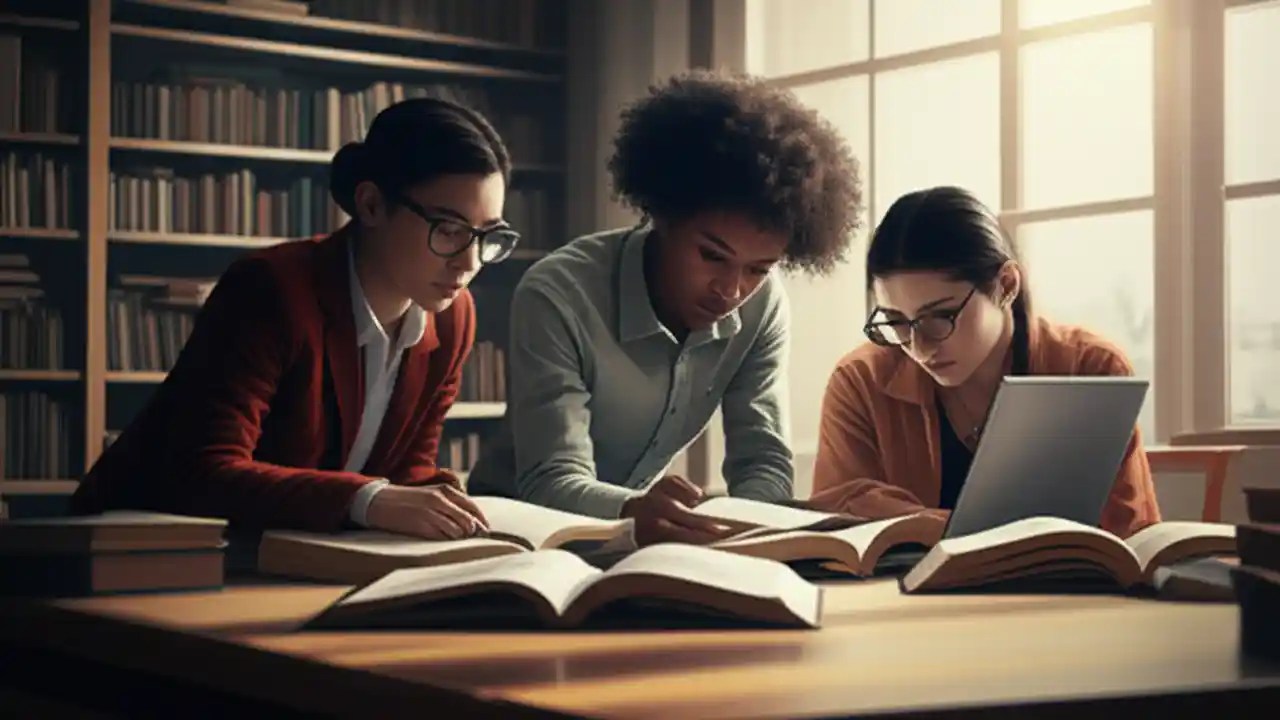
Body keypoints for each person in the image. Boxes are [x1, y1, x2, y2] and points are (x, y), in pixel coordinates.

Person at [72, 98, 521, 539]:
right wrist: (368, 499)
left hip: (293, 555)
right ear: (370, 205)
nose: (469, 263)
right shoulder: (272, 288)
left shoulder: (453, 315)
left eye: (487, 236)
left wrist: (441, 499)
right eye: (448, 230)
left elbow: (408, 470)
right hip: (138, 550)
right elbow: (204, 471)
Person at [467, 70, 864, 546]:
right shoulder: (559, 293)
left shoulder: (763, 307)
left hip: (636, 543)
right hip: (510, 539)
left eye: (759, 269)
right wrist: (634, 511)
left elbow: (763, 463)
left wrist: (747, 530)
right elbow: (550, 480)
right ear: (662, 215)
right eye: (712, 256)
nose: (732, 290)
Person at [808, 186, 1160, 537]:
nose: (918, 347)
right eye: (897, 321)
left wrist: (926, 524)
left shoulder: (1090, 370)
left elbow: (1130, 535)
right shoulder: (860, 382)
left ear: (1006, 285)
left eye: (940, 316)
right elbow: (837, 519)